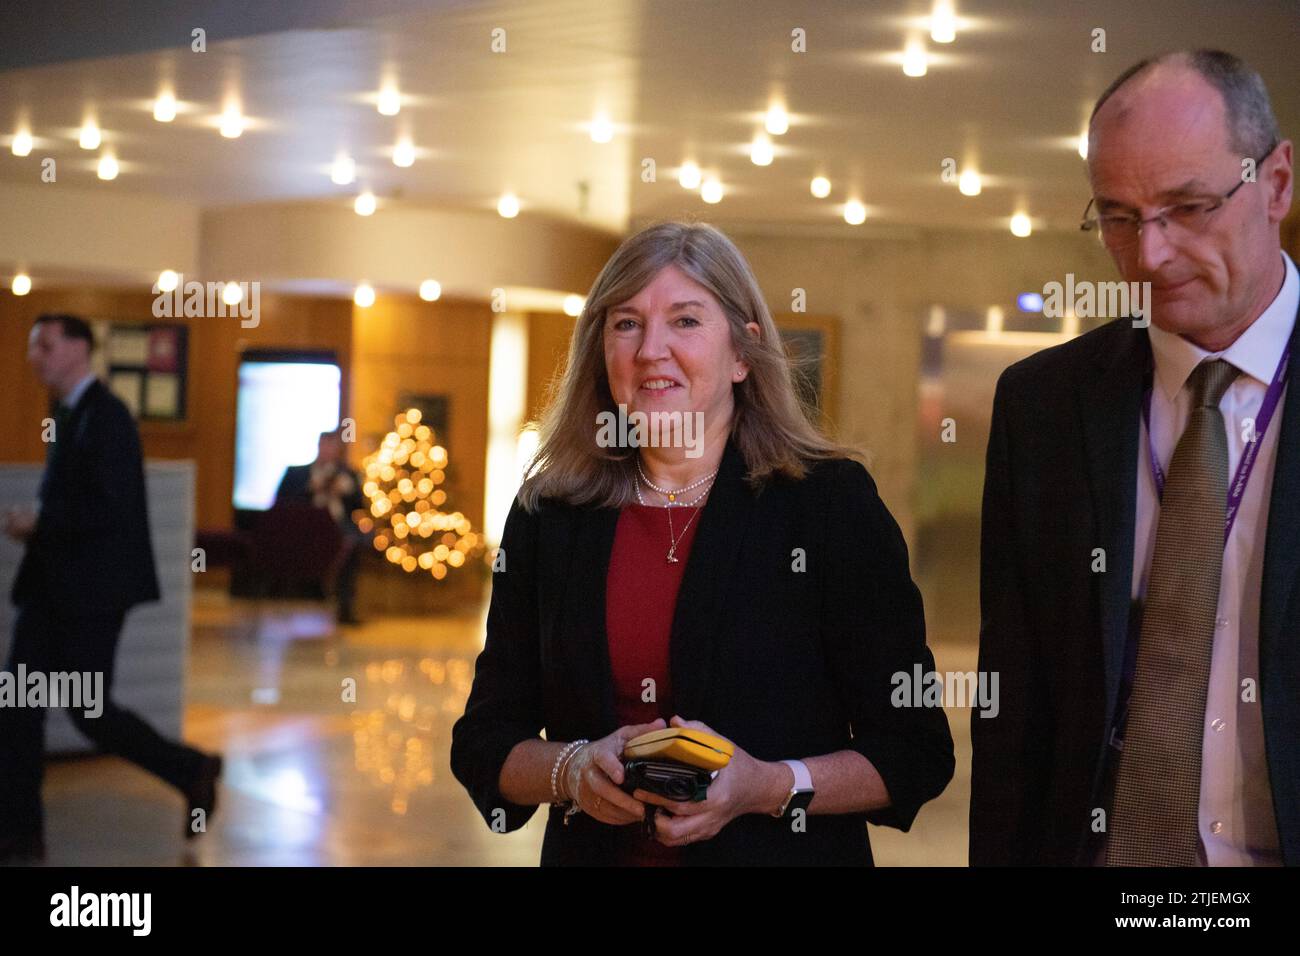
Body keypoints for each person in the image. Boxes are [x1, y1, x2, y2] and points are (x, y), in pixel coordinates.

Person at [451, 221, 954, 865]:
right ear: (600, 353)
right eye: (626, 323)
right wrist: (571, 769)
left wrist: (767, 787)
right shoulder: (550, 512)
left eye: (685, 321)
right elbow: (486, 742)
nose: (650, 350)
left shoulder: (828, 505)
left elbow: (914, 752)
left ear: (744, 354)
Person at [970, 50, 1298, 866]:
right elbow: (1015, 713)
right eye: (1118, 217)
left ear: (1278, 184)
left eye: (1188, 208)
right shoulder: (1042, 408)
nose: (1148, 256)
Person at [0, 314, 223, 863]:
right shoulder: (75, 413)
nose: (35, 357)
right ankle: (20, 830)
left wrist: (39, 523)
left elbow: (109, 508)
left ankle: (190, 768)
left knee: (87, 712)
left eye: (45, 345)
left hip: (89, 595)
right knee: (19, 705)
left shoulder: (107, 417)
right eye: (34, 346)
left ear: (79, 349)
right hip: (57, 590)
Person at [273, 429, 366, 625]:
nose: (327, 451)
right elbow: (280, 503)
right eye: (325, 445)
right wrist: (309, 489)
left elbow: (360, 506)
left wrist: (346, 491)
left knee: (352, 544)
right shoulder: (297, 474)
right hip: (306, 529)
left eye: (332, 447)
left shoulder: (349, 474)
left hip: (339, 529)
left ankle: (344, 606)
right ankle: (296, 594)